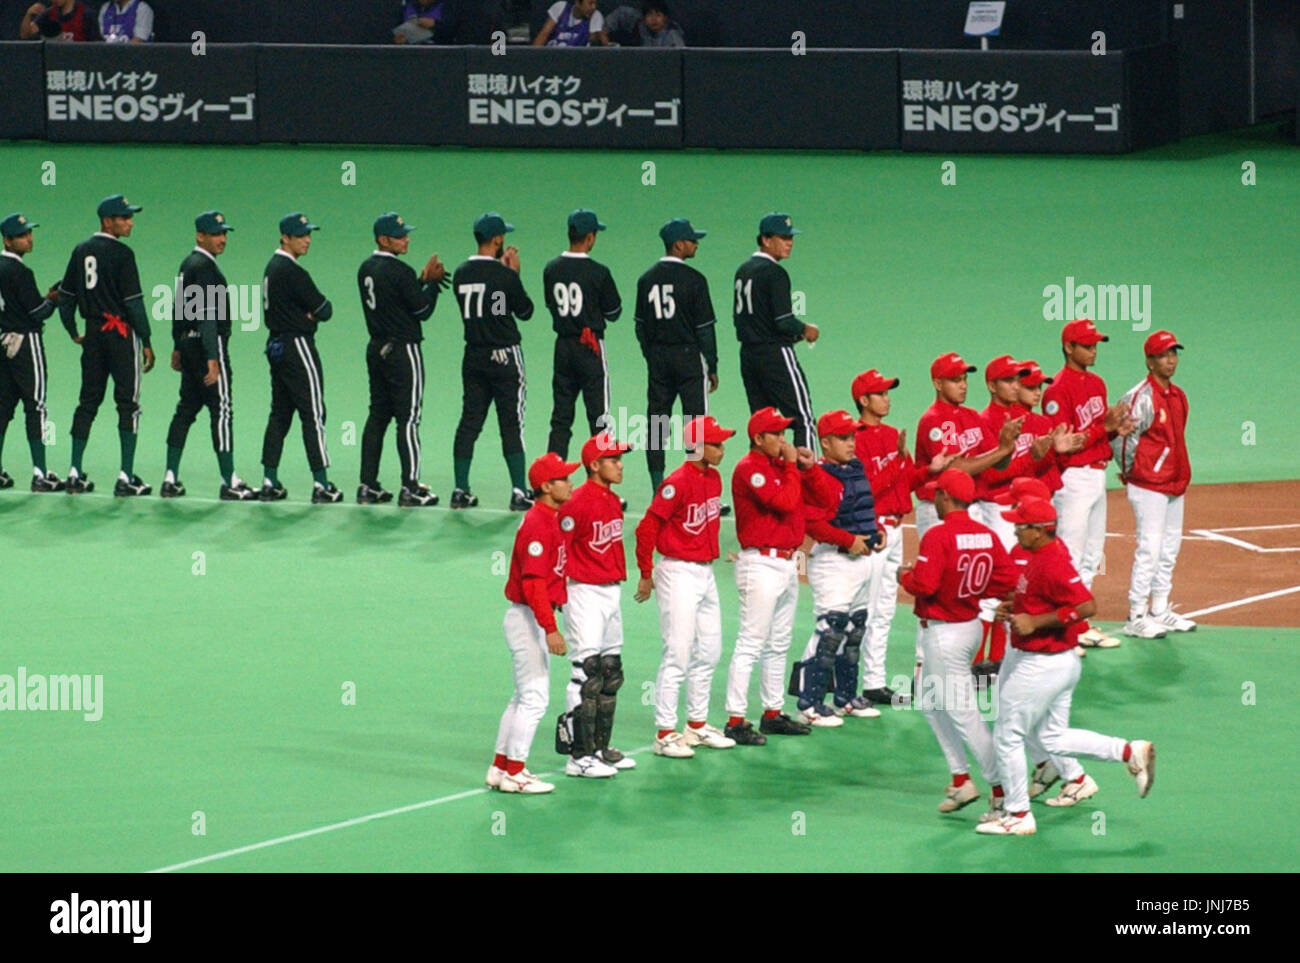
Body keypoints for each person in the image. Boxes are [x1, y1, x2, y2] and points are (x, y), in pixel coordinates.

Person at [978, 497, 1156, 836]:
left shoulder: (1052, 562)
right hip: (1059, 663)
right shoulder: (1040, 555)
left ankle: (1017, 815)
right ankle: (1129, 751)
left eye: (1020, 525)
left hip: (1042, 664)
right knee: (1051, 736)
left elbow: (1086, 605)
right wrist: (1017, 608)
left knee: (1007, 735)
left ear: (1038, 531)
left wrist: (1037, 621)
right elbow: (1043, 598)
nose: (1015, 530)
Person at [898, 468, 1018, 818]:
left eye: (937, 493)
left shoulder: (938, 536)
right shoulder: (987, 536)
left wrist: (902, 575)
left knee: (964, 713)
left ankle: (1002, 789)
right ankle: (961, 779)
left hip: (945, 634)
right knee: (930, 702)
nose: (933, 498)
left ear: (946, 498)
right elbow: (1008, 580)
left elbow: (923, 584)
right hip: (970, 626)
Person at [634, 414, 737, 758]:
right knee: (677, 652)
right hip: (677, 572)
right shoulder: (675, 482)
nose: (723, 449)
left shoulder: (714, 478)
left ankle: (695, 725)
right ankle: (665, 733)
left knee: (709, 650)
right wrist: (646, 573)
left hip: (705, 573)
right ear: (696, 447)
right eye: (716, 443)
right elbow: (646, 527)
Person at [972, 355, 1082, 674]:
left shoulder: (1031, 422)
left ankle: (1004, 656)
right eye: (1010, 380)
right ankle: (981, 659)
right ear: (992, 386)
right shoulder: (986, 421)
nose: (1018, 386)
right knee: (1001, 585)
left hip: (1024, 510)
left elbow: (1039, 472)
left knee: (1020, 586)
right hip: (999, 509)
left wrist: (1054, 455)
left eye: (1019, 380)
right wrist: (1033, 459)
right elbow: (992, 477)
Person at [853, 368, 952, 705]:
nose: (887, 398)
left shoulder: (893, 433)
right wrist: (896, 461)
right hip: (873, 529)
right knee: (863, 608)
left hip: (896, 527)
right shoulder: (855, 439)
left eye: (887, 392)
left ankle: (874, 681)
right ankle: (841, 682)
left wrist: (929, 470)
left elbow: (905, 481)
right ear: (863, 400)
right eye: (880, 393)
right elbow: (867, 489)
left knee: (885, 609)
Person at [486, 452, 578, 795]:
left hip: (527, 616)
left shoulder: (548, 517)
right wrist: (550, 628)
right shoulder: (539, 522)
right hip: (528, 617)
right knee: (535, 699)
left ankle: (500, 767)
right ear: (545, 486)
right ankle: (516, 772)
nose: (570, 483)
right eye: (564, 479)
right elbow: (533, 583)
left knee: (522, 697)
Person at [723, 406, 816, 744]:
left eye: (784, 433)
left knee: (778, 643)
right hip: (760, 563)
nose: (784, 439)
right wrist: (792, 466)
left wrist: (806, 467)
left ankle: (772, 713)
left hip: (787, 563)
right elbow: (785, 502)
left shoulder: (780, 467)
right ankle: (735, 719)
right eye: (776, 434)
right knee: (751, 642)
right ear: (758, 438)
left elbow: (811, 498)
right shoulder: (750, 468)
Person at [1042, 319, 1136, 648]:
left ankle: (1079, 624)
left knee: (1092, 553)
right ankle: (1061, 628)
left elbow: (1095, 432)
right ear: (1069, 347)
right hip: (1073, 479)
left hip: (1097, 475)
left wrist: (1114, 430)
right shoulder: (1056, 390)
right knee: (1069, 552)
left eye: (1096, 344)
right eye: (1087, 344)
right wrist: (1102, 430)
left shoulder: (1097, 383)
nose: (1093, 349)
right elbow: (1064, 443)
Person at [58, 194, 153, 495]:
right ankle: (126, 477)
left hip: (93, 335)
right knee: (128, 404)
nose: (130, 222)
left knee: (88, 402)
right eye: (124, 218)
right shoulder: (124, 255)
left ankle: (73, 473)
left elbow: (66, 298)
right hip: (122, 337)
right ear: (107, 221)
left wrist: (73, 330)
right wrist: (147, 340)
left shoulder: (80, 249)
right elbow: (134, 304)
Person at [791, 409, 882, 724]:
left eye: (852, 436)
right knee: (830, 630)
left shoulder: (855, 468)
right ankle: (809, 703)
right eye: (843, 437)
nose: (851, 443)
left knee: (856, 628)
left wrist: (875, 534)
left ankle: (845, 697)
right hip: (833, 559)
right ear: (825, 443)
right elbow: (813, 523)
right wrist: (847, 540)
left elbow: (864, 507)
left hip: (861, 558)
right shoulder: (815, 475)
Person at [162, 210, 256, 500]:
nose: (222, 239)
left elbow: (179, 309)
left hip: (188, 345)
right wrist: (213, 358)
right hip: (207, 346)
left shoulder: (187, 265)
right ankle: (230, 481)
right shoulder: (206, 268)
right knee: (221, 411)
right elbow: (206, 315)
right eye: (216, 234)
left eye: (224, 233)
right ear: (199, 236)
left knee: (186, 409)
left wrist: (178, 345)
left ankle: (170, 478)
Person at [556, 432, 635, 778]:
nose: (620, 465)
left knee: (609, 671)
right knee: (585, 673)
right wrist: (556, 595)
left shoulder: (613, 500)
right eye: (613, 459)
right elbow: (558, 549)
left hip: (610, 591)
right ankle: (578, 756)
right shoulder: (576, 502)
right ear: (594, 464)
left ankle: (601, 748)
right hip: (583, 591)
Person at [355, 211, 446, 507]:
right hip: (403, 351)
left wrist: (419, 279)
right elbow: (422, 312)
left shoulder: (366, 268)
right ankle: (411, 487)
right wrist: (431, 284)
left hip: (376, 348)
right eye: (400, 235)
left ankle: (367, 485)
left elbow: (394, 298)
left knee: (378, 416)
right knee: (408, 419)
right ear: (384, 240)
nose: (406, 239)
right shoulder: (400, 271)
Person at [449, 212, 535, 511]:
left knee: (469, 421)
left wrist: (503, 284)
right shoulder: (503, 277)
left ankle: (460, 490)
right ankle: (518, 491)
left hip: (473, 356)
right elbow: (522, 311)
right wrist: (513, 276)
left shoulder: (461, 273)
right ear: (497, 239)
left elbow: (490, 307)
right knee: (511, 424)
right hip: (503, 356)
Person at [1114, 329, 1194, 637]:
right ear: (1149, 361)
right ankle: (1136, 614)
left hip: (1174, 483)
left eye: (1173, 353)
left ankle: (1159, 608)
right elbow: (1122, 441)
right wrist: (1134, 472)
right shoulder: (1140, 398)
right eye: (1163, 355)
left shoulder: (1178, 396)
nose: (1170, 360)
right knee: (1150, 547)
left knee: (1170, 546)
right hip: (1148, 484)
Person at [259, 213, 341, 503]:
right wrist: (309, 318)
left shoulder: (271, 268)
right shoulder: (294, 272)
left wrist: (306, 315)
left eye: (308, 234)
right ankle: (322, 485)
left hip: (276, 346)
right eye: (301, 235)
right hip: (297, 347)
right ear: (285, 238)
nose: (307, 240)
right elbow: (326, 309)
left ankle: (269, 480)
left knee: (280, 413)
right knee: (313, 413)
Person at [635, 218, 717, 492]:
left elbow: (640, 326)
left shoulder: (646, 279)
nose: (696, 244)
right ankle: (699, 489)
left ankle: (658, 488)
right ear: (678, 244)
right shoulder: (695, 280)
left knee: (657, 423)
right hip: (688, 358)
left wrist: (652, 355)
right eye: (692, 240)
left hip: (658, 359)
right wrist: (713, 364)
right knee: (697, 424)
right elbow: (705, 330)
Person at [912, 352, 1023, 539]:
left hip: (971, 508)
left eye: (964, 379)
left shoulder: (971, 416)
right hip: (939, 510)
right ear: (938, 384)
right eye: (955, 380)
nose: (963, 385)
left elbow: (999, 463)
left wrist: (1007, 444)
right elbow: (955, 469)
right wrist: (1002, 450)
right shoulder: (936, 420)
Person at [733, 213, 818, 451]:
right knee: (803, 420)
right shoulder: (775, 273)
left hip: (749, 356)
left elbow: (745, 319)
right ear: (765, 240)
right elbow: (783, 321)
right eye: (783, 237)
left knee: (762, 425)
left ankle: (758, 480)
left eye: (790, 238)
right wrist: (805, 330)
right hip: (775, 355)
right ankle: (807, 483)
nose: (789, 242)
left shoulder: (743, 270)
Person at [543, 209, 621, 461]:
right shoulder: (599, 271)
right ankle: (603, 483)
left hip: (563, 348)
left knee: (561, 418)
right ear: (589, 237)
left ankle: (553, 477)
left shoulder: (551, 269)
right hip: (590, 349)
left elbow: (550, 305)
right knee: (599, 416)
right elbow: (614, 312)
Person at [0, 213, 64, 492]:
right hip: (26, 344)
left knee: (2, 409)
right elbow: (37, 312)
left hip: (2, 342)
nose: (29, 239)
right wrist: (53, 300)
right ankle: (40, 474)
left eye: (29, 233)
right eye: (23, 235)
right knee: (35, 406)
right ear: (7, 240)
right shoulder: (21, 272)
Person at [604, 1, 684, 47]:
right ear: (644, 18)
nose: (654, 19)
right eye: (650, 14)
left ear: (665, 18)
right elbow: (620, 13)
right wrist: (604, 31)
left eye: (658, 15)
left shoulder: (673, 36)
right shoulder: (638, 22)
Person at [533, 0, 607, 46]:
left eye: (595, 3)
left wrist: (600, 33)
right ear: (578, 3)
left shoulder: (595, 15)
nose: (594, 7)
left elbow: (594, 43)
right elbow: (544, 34)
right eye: (590, 3)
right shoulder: (560, 7)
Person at [20, 1, 99, 41]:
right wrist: (28, 14)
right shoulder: (49, 14)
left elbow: (95, 46)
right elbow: (25, 34)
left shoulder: (86, 14)